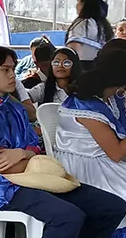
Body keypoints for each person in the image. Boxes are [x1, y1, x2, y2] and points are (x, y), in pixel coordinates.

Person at [0, 44, 126, 238]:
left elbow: (35, 145)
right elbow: (3, 167)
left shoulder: (16, 107)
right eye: (5, 70)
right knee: (68, 217)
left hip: (37, 175)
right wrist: (28, 156)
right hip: (5, 187)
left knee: (113, 206)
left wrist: (23, 153)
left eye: (13, 69)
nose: (12, 75)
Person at [54, 49, 126, 226]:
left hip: (101, 158)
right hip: (86, 167)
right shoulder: (86, 107)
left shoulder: (109, 98)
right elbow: (116, 153)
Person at [67, 0, 113, 69]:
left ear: (84, 4)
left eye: (78, 1)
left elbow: (72, 51)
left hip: (83, 68)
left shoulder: (83, 24)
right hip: (101, 67)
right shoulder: (104, 25)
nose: (76, 5)